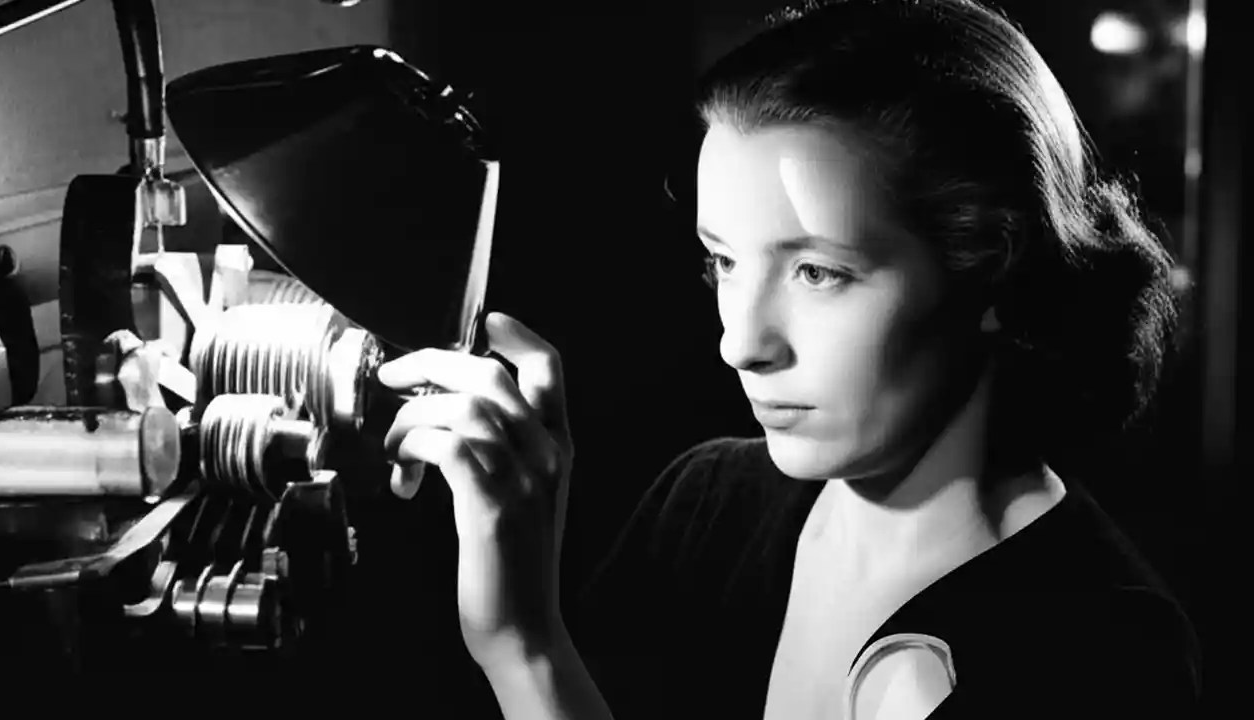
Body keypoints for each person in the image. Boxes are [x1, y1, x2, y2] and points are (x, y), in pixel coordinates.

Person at [376, 0, 1202, 717]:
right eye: (723, 262)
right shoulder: (707, 502)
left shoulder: (1104, 645)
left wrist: (524, 649)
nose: (741, 342)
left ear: (991, 270)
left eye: (818, 272)